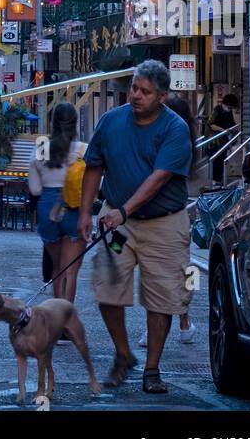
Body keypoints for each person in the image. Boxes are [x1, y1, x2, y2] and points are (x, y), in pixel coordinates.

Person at [78, 60, 193, 395]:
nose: (136, 96)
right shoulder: (111, 121)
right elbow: (93, 167)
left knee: (164, 297)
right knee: (107, 286)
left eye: (145, 91)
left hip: (165, 224)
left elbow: (159, 178)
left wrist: (124, 211)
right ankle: (123, 352)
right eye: (134, 88)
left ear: (162, 96)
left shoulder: (175, 129)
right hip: (118, 224)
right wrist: (86, 212)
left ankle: (152, 368)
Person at [136, 94, 197, 348]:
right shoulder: (187, 140)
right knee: (180, 269)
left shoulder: (170, 140)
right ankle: (184, 322)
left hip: (161, 213)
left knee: (162, 272)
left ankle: (167, 326)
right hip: (176, 213)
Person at [28, 102, 88, 303]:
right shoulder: (82, 149)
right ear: (75, 122)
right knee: (71, 270)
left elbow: (35, 189)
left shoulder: (43, 145)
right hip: (74, 207)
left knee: (57, 267)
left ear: (52, 122)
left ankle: (55, 316)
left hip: (47, 207)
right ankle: (67, 319)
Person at [207, 91, 239, 185]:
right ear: (224, 104)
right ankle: (215, 183)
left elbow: (231, 123)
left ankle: (219, 182)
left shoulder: (228, 112)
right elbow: (211, 124)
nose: (230, 109)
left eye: (231, 108)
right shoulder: (217, 110)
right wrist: (224, 130)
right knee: (216, 161)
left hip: (224, 141)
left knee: (222, 161)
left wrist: (234, 130)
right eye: (229, 107)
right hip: (214, 141)